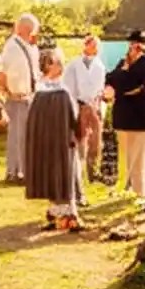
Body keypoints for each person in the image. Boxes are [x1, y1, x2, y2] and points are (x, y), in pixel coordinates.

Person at [25, 48, 83, 231]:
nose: (61, 66)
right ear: (49, 66)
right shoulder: (61, 92)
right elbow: (72, 118)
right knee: (64, 175)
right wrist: (77, 132)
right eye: (58, 62)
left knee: (53, 175)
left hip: (46, 141)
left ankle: (57, 212)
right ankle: (66, 216)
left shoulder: (39, 91)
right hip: (61, 141)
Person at [105, 30, 145, 206]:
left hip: (141, 113)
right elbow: (111, 79)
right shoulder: (124, 63)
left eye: (137, 43)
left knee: (141, 153)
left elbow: (136, 82)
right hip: (123, 112)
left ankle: (141, 189)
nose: (133, 47)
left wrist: (126, 80)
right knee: (125, 152)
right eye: (131, 43)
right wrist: (125, 73)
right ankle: (126, 185)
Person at [0, 14, 41, 184]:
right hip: (16, 97)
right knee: (17, 135)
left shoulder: (28, 47)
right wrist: (7, 91)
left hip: (28, 96)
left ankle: (23, 170)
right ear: (26, 29)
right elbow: (2, 72)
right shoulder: (12, 46)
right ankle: (14, 171)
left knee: (25, 136)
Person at [63, 35, 107, 188]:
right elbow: (68, 86)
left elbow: (100, 87)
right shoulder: (74, 65)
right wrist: (74, 105)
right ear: (86, 46)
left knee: (96, 140)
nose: (95, 48)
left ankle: (93, 170)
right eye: (92, 45)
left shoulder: (100, 66)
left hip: (94, 105)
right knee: (81, 139)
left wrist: (97, 103)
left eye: (97, 46)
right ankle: (78, 170)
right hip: (79, 105)